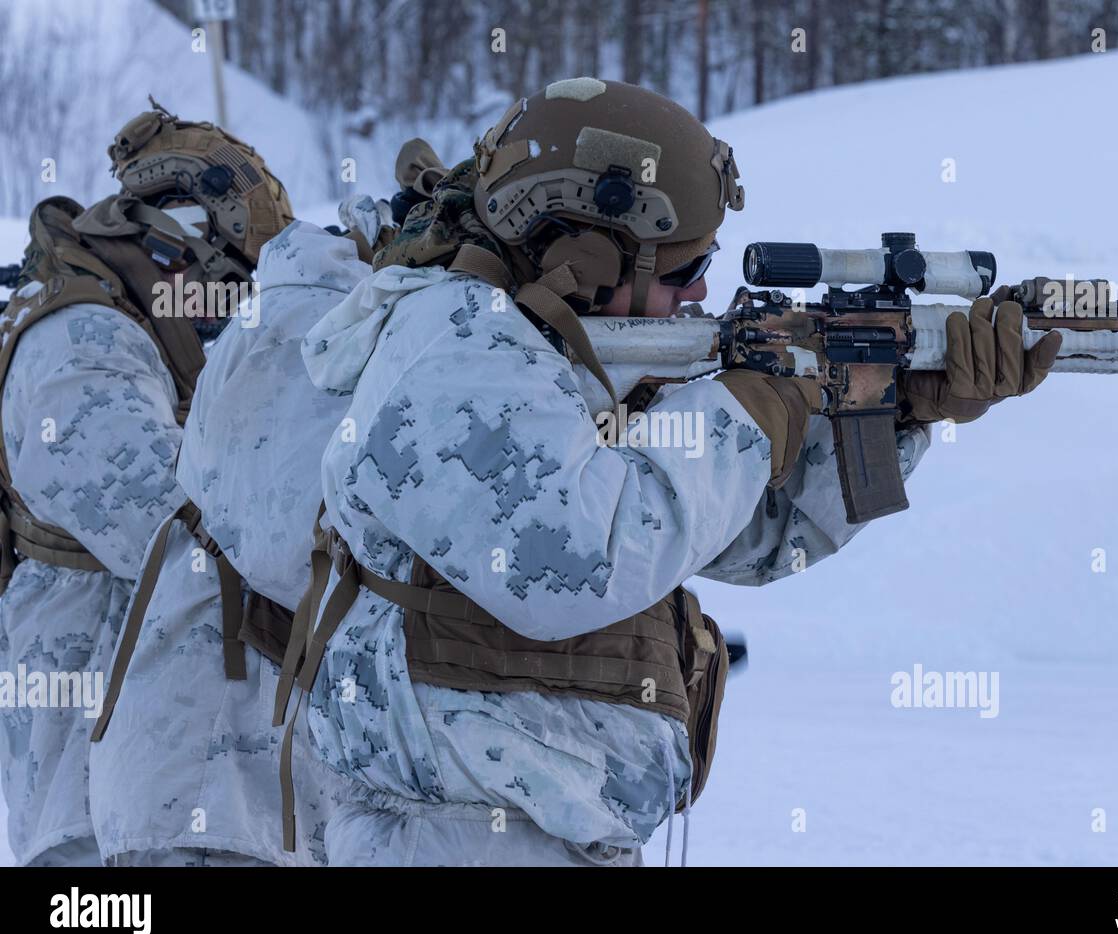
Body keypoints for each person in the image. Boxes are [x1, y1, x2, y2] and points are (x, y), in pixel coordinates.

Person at [286, 77, 1060, 866]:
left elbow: (746, 538)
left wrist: (892, 413)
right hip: (452, 837)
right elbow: (580, 559)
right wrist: (753, 407)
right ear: (585, 250)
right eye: (686, 268)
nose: (701, 294)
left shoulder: (557, 356)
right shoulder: (453, 347)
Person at [87, 140, 444, 866]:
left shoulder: (296, 323)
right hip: (207, 795)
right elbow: (297, 554)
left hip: (223, 795)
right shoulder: (296, 336)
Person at [0, 99, 292, 866]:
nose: (225, 320)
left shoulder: (123, 323)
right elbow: (166, 518)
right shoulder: (82, 338)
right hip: (85, 775)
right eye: (226, 291)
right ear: (172, 250)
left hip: (134, 769)